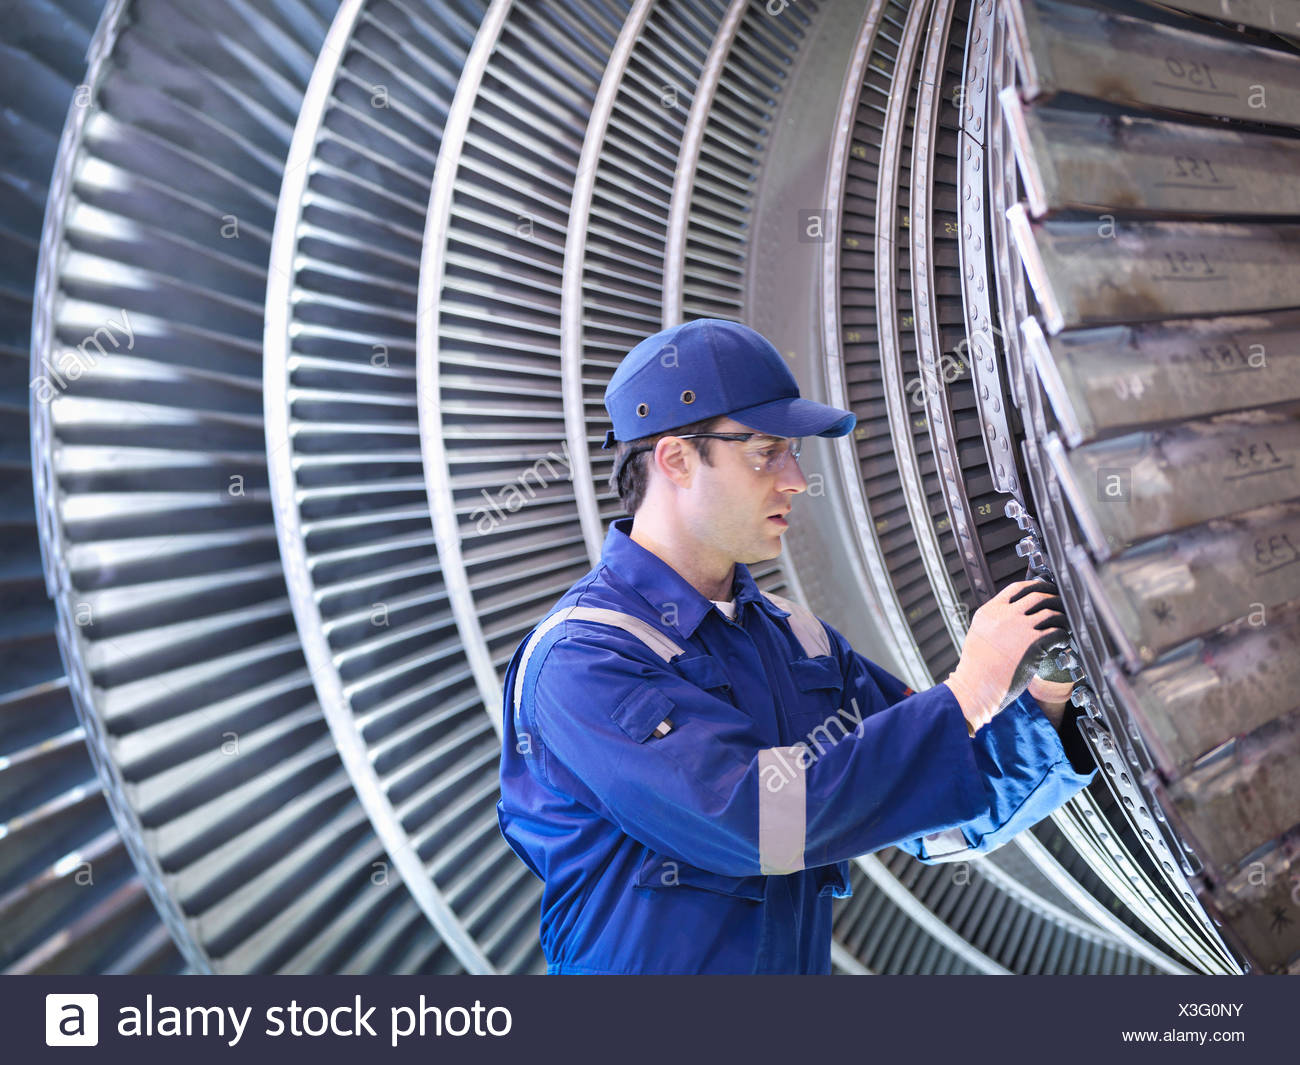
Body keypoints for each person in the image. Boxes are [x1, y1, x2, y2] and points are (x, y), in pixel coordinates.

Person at [496, 318, 1096, 974]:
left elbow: (931, 801)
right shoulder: (582, 661)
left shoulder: (795, 641)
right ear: (675, 459)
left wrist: (1051, 694)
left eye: (794, 452)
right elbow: (756, 823)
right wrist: (972, 686)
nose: (795, 479)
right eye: (765, 453)